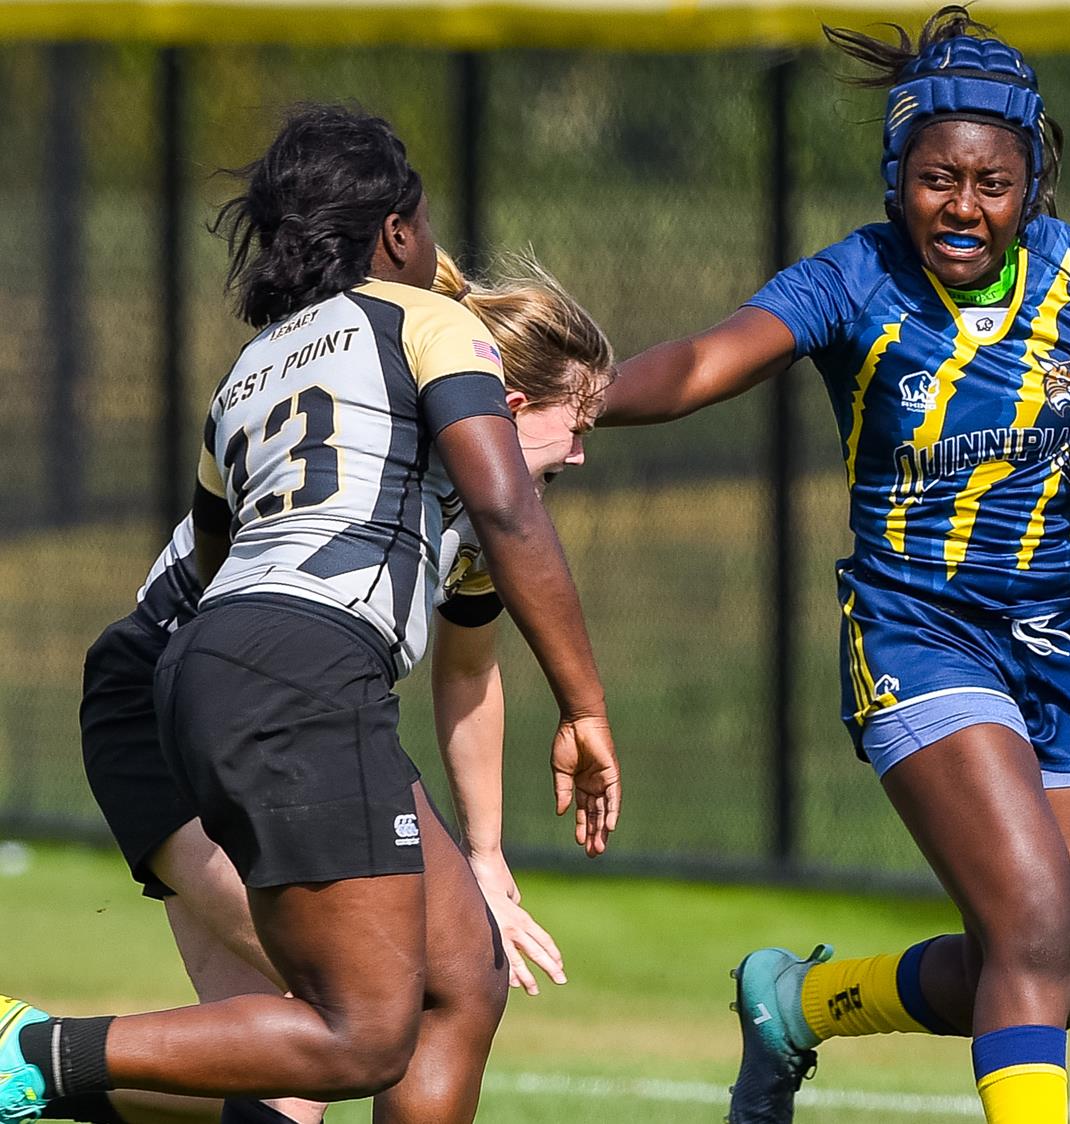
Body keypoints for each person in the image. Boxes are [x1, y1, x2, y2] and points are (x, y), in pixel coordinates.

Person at [593, 9, 1070, 1123]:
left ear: (1030, 185)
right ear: (895, 174)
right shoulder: (855, 281)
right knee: (1027, 919)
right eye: (936, 179)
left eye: (992, 184)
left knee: (1061, 974)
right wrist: (575, 403)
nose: (963, 207)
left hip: (1064, 640)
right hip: (917, 628)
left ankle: (799, 999)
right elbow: (706, 360)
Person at [1, 105, 619, 1124]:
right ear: (396, 235)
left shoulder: (257, 368)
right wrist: (587, 708)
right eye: (579, 422)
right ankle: (30, 1051)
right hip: (255, 673)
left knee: (440, 985)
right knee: (369, 1020)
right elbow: (503, 508)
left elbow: (230, 565)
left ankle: (42, 1061)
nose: (586, 450)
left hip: (225, 670)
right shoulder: (432, 333)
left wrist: (490, 861)